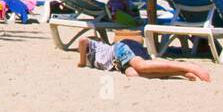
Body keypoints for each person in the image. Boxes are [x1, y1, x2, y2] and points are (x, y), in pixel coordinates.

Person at [77, 32, 211, 81]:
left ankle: (188, 66)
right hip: (119, 63)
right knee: (133, 74)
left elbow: (82, 41)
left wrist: (81, 62)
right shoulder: (95, 56)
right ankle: (181, 72)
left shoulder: (94, 45)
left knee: (141, 66)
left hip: (122, 49)